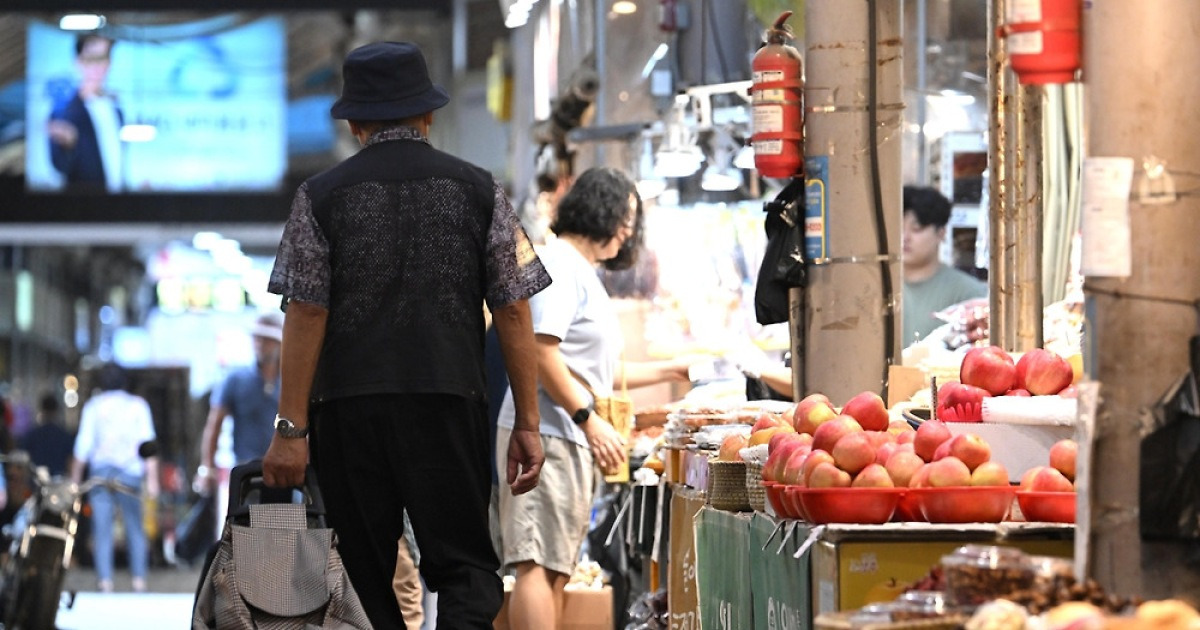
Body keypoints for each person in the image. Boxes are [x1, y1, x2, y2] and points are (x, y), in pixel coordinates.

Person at [263, 41, 551, 630]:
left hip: (350, 411)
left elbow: (307, 313)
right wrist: (526, 421)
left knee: (362, 577)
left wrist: (291, 431)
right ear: (428, 115)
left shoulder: (318, 198)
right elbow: (515, 310)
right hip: (448, 402)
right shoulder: (479, 190)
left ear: (357, 122)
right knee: (467, 571)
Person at [494, 167, 694, 630]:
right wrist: (587, 418)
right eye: (624, 216)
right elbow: (541, 351)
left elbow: (594, 371)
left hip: (560, 434)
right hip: (546, 433)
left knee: (554, 566)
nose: (627, 231)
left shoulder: (579, 271)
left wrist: (671, 369)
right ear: (599, 210)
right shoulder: (561, 265)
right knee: (536, 565)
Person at [71, 363, 159, 593]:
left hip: (101, 474)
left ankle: (105, 581)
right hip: (129, 473)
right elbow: (148, 445)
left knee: (101, 528)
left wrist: (74, 481)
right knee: (134, 527)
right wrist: (152, 480)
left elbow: (83, 447)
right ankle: (139, 580)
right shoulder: (138, 406)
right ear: (125, 382)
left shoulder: (94, 407)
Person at [196, 312, 284, 529]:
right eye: (256, 338)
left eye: (266, 339)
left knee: (283, 534)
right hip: (247, 468)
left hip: (284, 467)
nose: (260, 344)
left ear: (280, 342)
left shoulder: (290, 383)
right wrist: (207, 468)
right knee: (248, 534)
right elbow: (214, 424)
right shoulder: (236, 379)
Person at [901, 185, 987, 346]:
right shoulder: (876, 288)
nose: (905, 237)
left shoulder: (970, 294)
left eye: (916, 228)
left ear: (941, 233)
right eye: (898, 228)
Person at [47, 33, 124, 192]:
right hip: (85, 210)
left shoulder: (116, 110)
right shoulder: (63, 112)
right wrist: (69, 145)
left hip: (118, 207)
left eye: (102, 58)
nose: (97, 67)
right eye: (91, 59)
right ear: (78, 62)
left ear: (109, 62)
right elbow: (59, 166)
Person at [19, 392, 74, 477]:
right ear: (56, 411)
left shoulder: (32, 435)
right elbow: (70, 461)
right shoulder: (64, 436)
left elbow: (24, 458)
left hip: (37, 480)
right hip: (58, 480)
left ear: (42, 410)